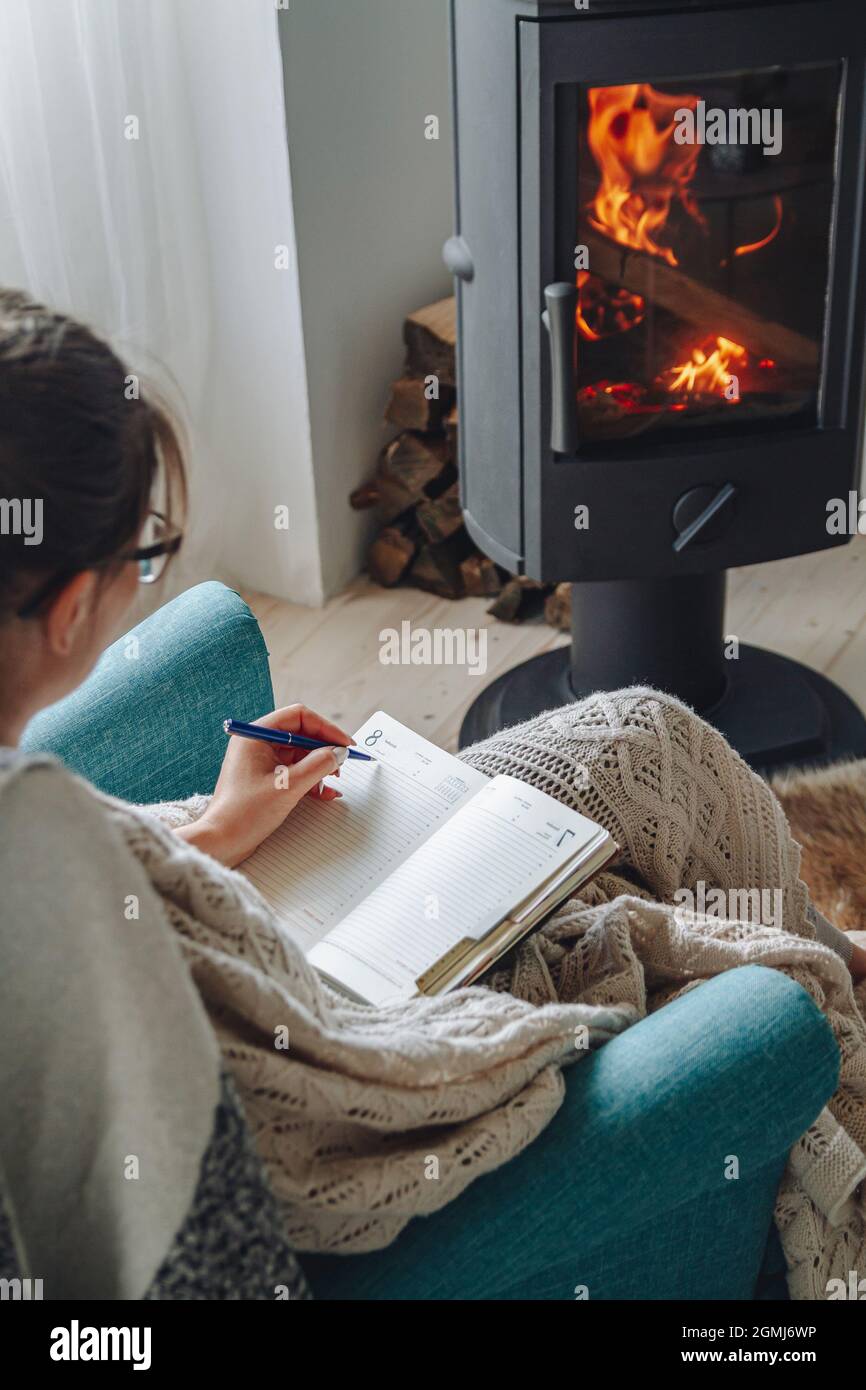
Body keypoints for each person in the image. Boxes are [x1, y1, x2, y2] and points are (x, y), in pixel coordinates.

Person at [0, 289, 862, 1300]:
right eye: (140, 555)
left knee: (640, 738)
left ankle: (832, 953)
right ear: (67, 608)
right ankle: (831, 1008)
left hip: (255, 924)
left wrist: (221, 831)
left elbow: (110, 915)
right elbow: (234, 1206)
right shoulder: (39, 839)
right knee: (609, 902)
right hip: (338, 1018)